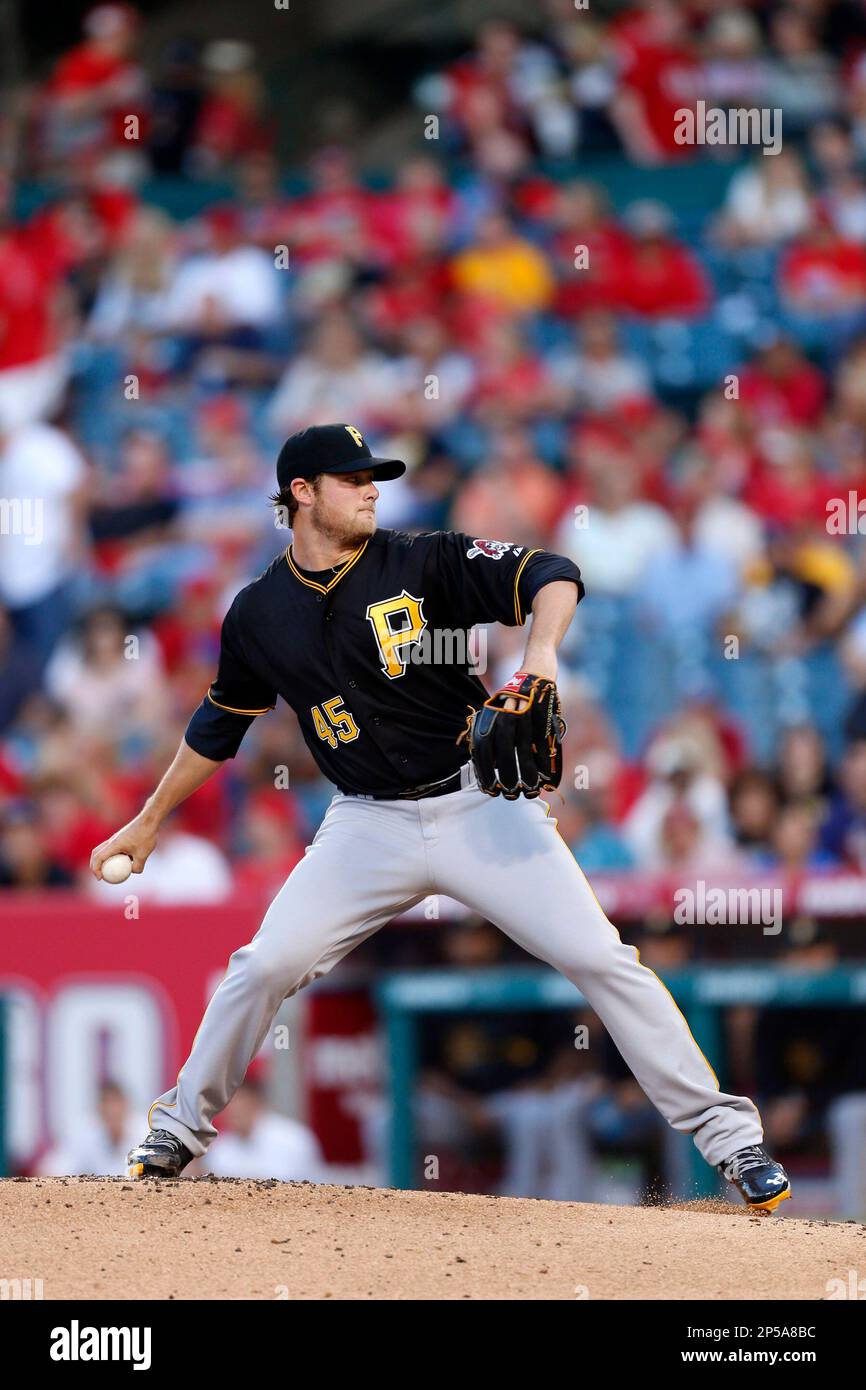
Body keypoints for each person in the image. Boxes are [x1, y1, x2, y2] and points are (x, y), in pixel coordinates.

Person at [91, 422, 789, 1210]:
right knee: (263, 966)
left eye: (374, 478)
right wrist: (148, 822)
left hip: (478, 804)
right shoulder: (258, 614)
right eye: (354, 479)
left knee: (602, 960)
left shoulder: (423, 560)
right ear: (301, 493)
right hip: (366, 824)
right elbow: (220, 723)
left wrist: (542, 654)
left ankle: (734, 1143)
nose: (372, 490)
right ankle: (178, 1130)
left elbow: (553, 573)